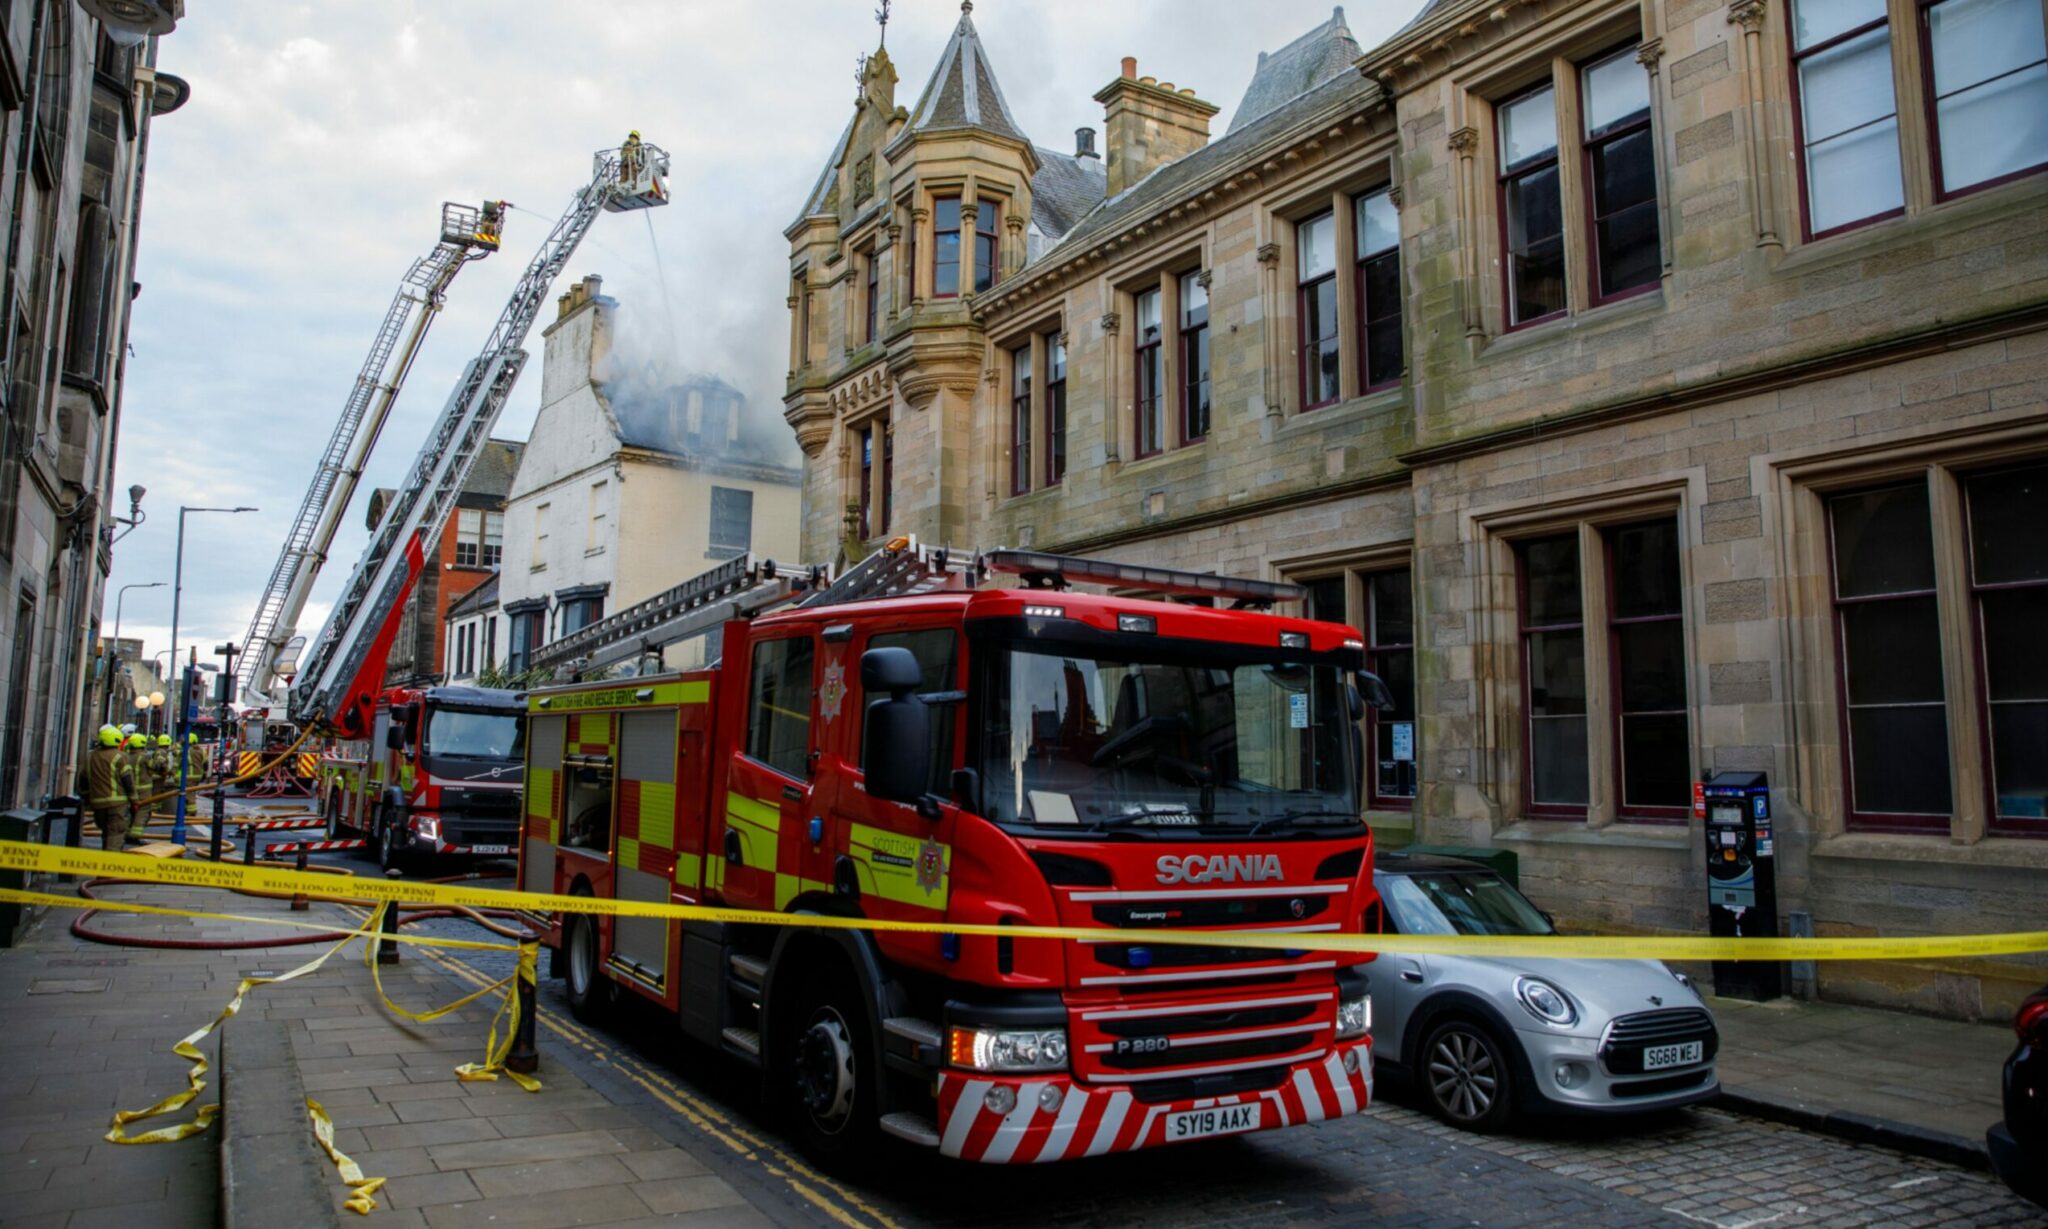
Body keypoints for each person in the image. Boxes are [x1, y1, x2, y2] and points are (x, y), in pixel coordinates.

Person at [82, 727, 135, 850]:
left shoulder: (91, 756)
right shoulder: (120, 756)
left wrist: (86, 797)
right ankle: (110, 862)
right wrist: (134, 800)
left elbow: (82, 779)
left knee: (105, 831)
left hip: (97, 803)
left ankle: (105, 854)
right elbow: (128, 780)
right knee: (116, 833)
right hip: (117, 803)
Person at [123, 733, 153, 841]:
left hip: (129, 789)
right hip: (143, 790)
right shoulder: (144, 757)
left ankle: (125, 833)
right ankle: (135, 836)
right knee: (143, 811)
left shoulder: (125, 756)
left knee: (130, 811)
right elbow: (154, 767)